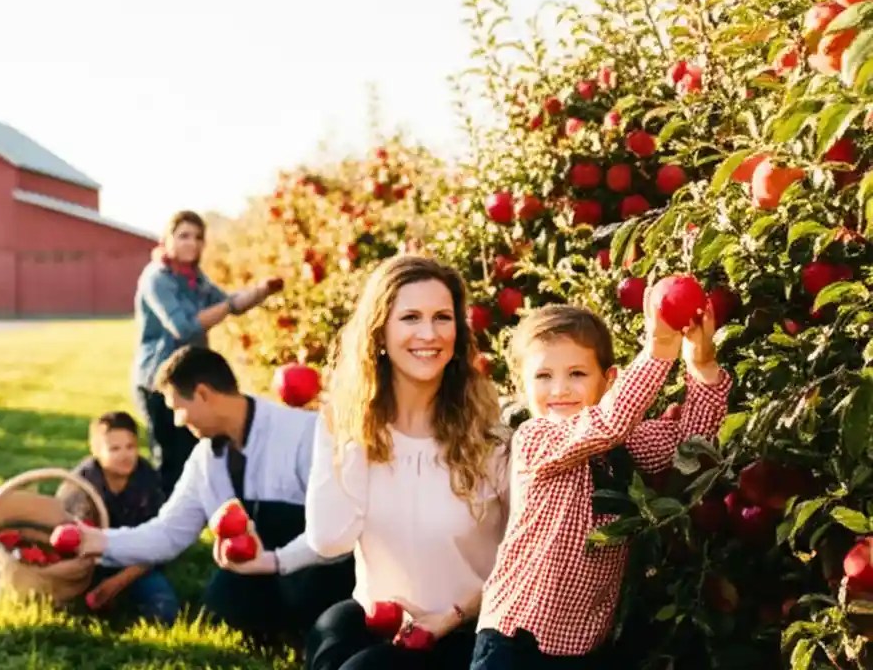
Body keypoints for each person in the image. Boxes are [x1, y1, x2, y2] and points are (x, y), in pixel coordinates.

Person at [469, 299, 731, 669]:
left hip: (583, 646)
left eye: (577, 373)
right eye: (543, 376)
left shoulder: (623, 445)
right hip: (516, 641)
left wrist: (701, 366)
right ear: (521, 386)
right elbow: (609, 423)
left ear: (609, 381)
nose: (559, 389)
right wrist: (657, 349)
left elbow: (692, 445)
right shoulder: (536, 438)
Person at [61, 345, 355, 644]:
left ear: (202, 393)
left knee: (311, 599)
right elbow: (168, 533)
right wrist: (99, 541)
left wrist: (276, 561)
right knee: (221, 603)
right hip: (259, 573)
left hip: (317, 570)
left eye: (177, 408)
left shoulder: (305, 433)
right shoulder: (204, 459)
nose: (176, 421)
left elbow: (337, 529)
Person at [303, 255, 512, 670]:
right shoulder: (343, 425)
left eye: (442, 318)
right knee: (333, 633)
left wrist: (452, 615)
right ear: (379, 332)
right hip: (382, 621)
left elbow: (523, 556)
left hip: (467, 626)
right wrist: (356, 429)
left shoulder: (493, 434)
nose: (429, 334)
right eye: (411, 317)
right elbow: (328, 539)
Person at [133, 210, 282, 497]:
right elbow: (185, 329)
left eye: (198, 237)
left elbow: (230, 302)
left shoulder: (195, 279)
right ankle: (165, 526)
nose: (192, 243)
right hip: (158, 380)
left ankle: (197, 514)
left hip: (189, 377)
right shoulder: (157, 279)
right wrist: (228, 306)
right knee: (169, 457)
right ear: (167, 239)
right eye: (184, 236)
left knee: (195, 452)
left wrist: (261, 291)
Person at [56, 411, 179, 624]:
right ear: (95, 451)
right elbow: (71, 543)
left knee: (165, 610)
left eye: (130, 447)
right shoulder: (80, 485)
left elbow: (156, 541)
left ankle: (124, 599)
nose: (125, 455)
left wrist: (117, 583)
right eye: (114, 449)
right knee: (66, 609)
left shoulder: (147, 478)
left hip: (136, 563)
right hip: (88, 565)